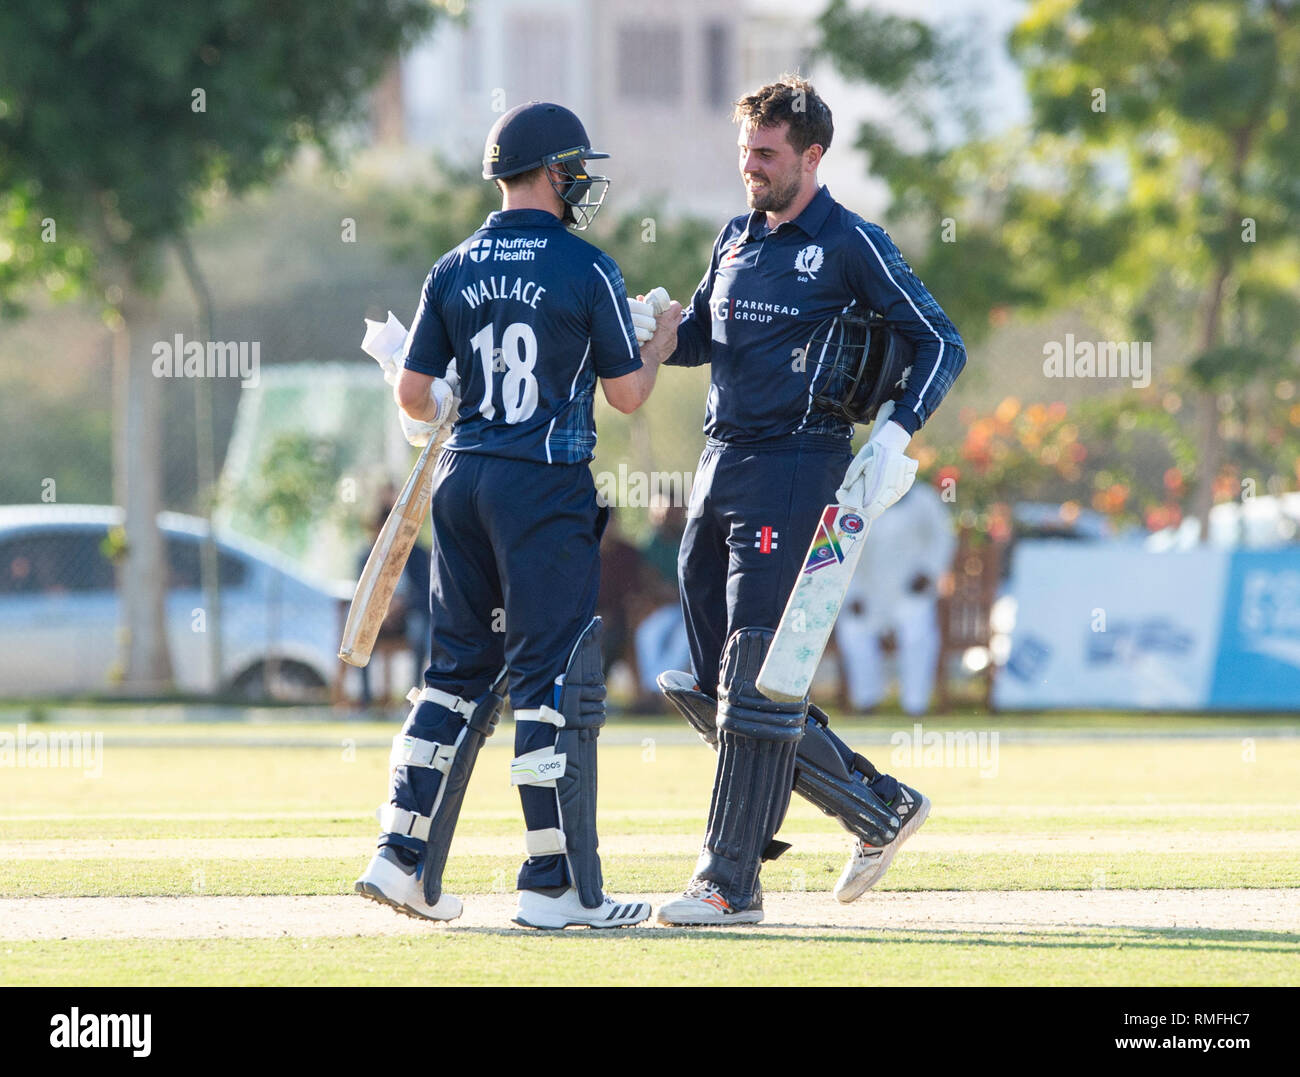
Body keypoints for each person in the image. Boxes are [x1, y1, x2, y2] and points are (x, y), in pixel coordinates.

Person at [353, 101, 681, 929]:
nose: (581, 184)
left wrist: (455, 398)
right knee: (547, 683)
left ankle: (397, 854)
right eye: (574, 169)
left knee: (451, 677)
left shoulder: (452, 264)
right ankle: (551, 881)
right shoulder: (586, 266)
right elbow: (626, 394)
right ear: (550, 171)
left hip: (461, 482)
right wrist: (659, 342)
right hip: (542, 485)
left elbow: (413, 393)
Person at [649, 76, 967, 924]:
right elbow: (704, 339)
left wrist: (896, 434)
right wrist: (658, 331)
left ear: (812, 155)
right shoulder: (735, 235)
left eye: (766, 153)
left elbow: (941, 341)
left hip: (797, 467)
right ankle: (877, 805)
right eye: (744, 151)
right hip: (719, 464)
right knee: (711, 683)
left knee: (754, 673)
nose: (750, 167)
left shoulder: (853, 242)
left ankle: (728, 883)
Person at [835, 481, 956, 715]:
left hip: (909, 591)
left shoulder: (923, 498)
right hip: (869, 594)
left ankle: (915, 705)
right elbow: (844, 551)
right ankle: (866, 702)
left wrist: (928, 572)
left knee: (917, 631)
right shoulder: (855, 502)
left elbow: (942, 537)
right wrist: (853, 593)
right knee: (852, 630)